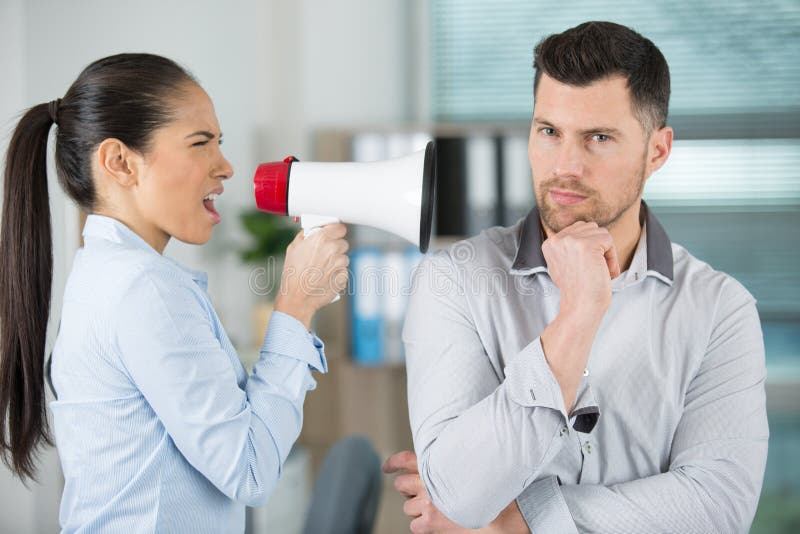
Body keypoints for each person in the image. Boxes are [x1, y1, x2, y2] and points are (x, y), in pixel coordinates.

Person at [383, 21, 768, 534]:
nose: (565, 166)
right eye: (549, 132)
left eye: (599, 138)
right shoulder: (452, 281)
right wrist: (579, 313)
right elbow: (460, 493)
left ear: (657, 151)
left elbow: (716, 507)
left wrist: (521, 519)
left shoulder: (720, 310)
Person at [0, 53, 349, 532]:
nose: (225, 166)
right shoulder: (144, 288)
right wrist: (295, 305)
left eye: (219, 143)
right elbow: (249, 471)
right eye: (201, 143)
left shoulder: (109, 274)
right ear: (119, 162)